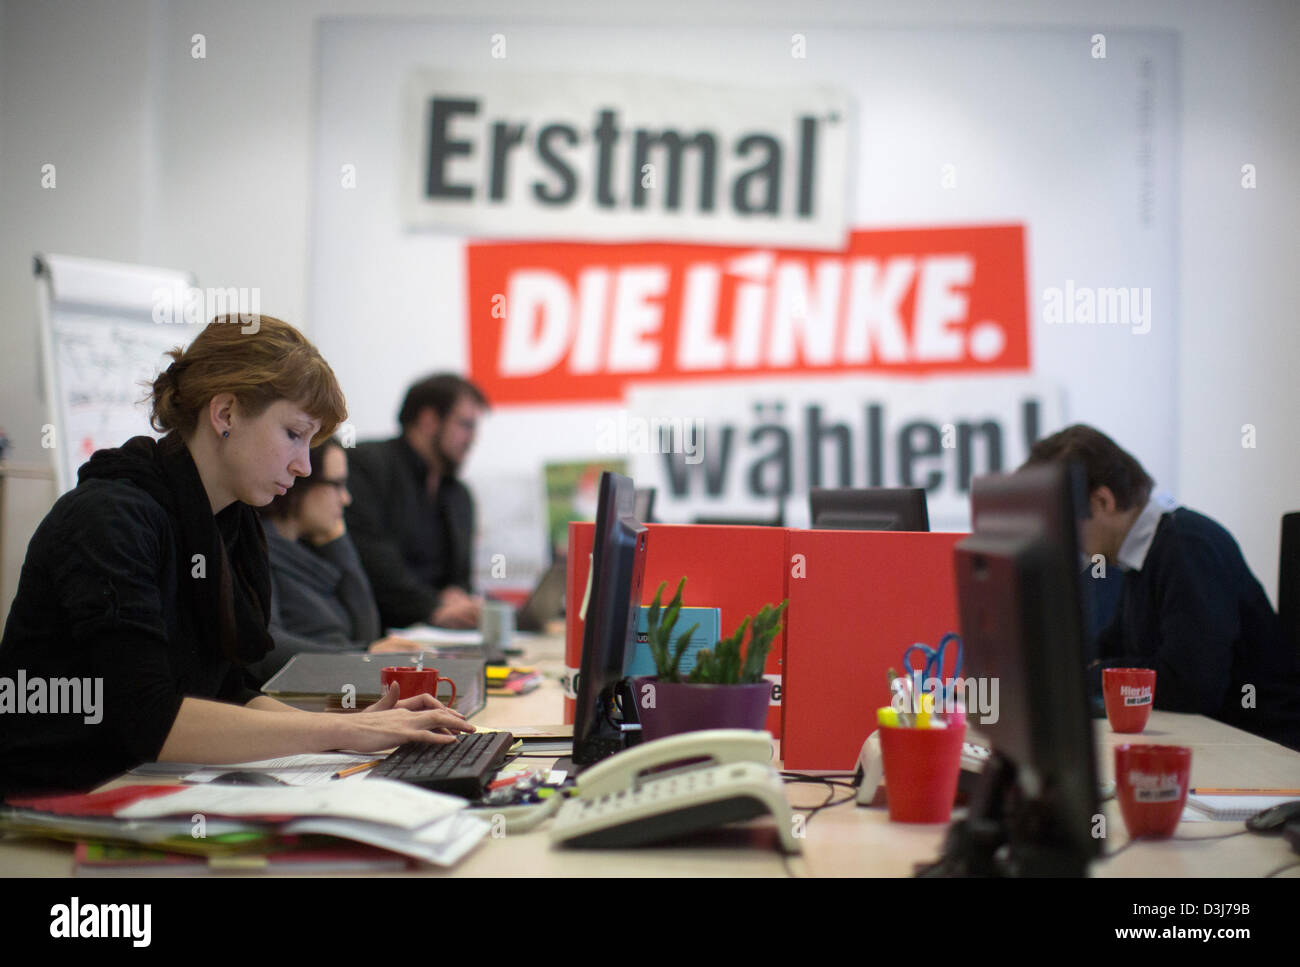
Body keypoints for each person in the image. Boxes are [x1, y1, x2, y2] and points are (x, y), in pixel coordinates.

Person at [0, 316, 472, 797]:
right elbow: (148, 718)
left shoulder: (227, 522)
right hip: (53, 804)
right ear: (225, 414)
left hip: (145, 789)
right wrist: (344, 732)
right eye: (293, 433)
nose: (303, 465)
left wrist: (350, 729)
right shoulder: (111, 517)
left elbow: (228, 692)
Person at [1022, 424, 1300, 750]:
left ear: (1102, 501)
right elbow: (1115, 651)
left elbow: (1189, 686)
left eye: (1064, 523)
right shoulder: (1138, 553)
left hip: (1263, 749)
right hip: (1215, 740)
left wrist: (1091, 674)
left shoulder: (1188, 547)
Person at [247, 436, 428, 686]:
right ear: (300, 481)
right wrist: (362, 657)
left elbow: (367, 631)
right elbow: (267, 646)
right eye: (337, 485)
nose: (346, 499)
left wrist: (337, 543)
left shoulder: (310, 552)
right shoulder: (258, 548)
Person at [346, 374, 488, 630]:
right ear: (429, 420)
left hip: (443, 637)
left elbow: (460, 579)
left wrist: (458, 599)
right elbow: (370, 559)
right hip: (381, 636)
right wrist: (433, 606)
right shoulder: (366, 465)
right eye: (465, 425)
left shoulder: (458, 495)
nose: (472, 438)